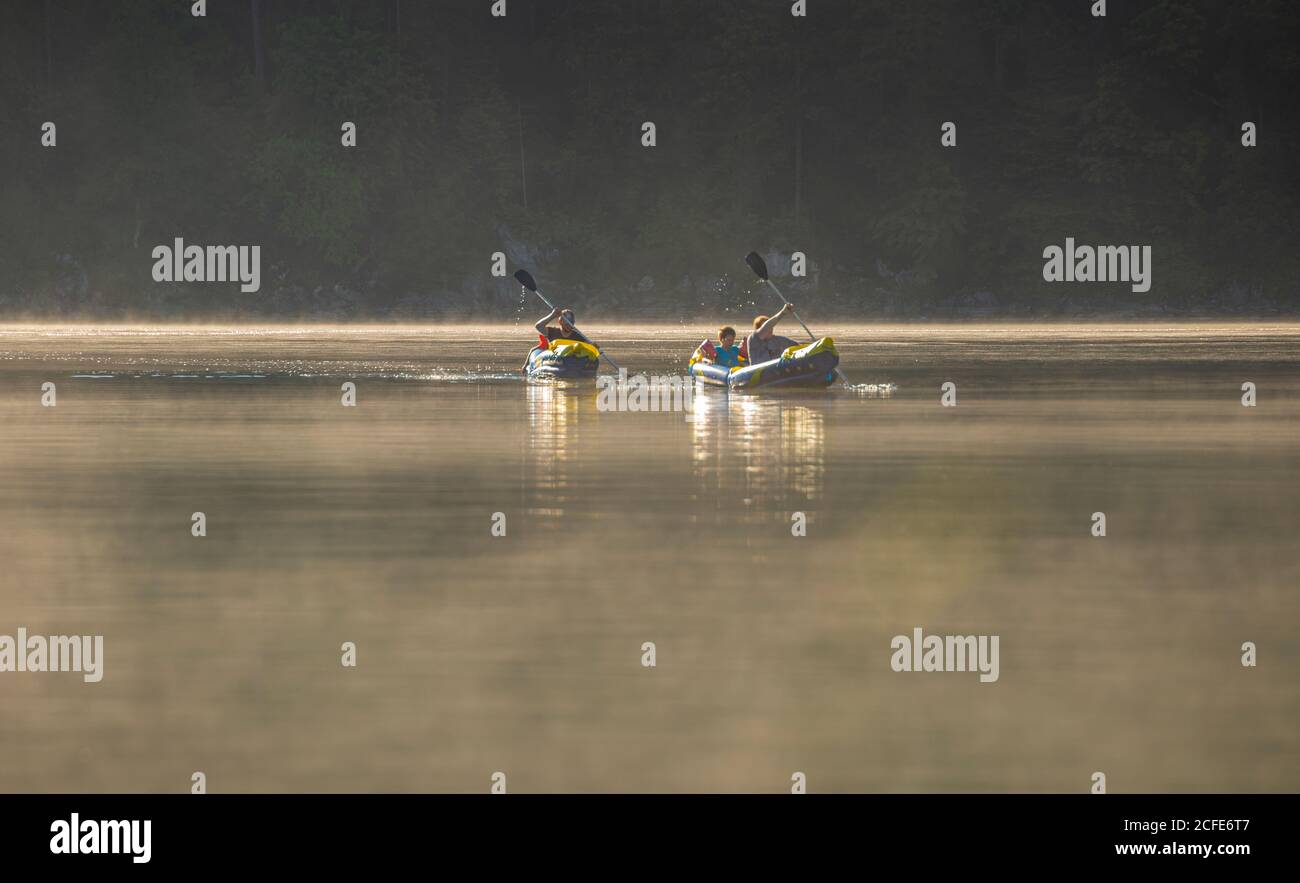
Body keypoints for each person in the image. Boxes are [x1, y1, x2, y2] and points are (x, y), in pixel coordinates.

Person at [524, 307, 597, 372]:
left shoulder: (578, 335)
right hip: (555, 360)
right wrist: (552, 315)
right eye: (567, 322)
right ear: (560, 322)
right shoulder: (552, 332)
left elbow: (589, 345)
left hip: (572, 362)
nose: (569, 325)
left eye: (571, 322)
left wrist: (594, 346)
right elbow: (538, 326)